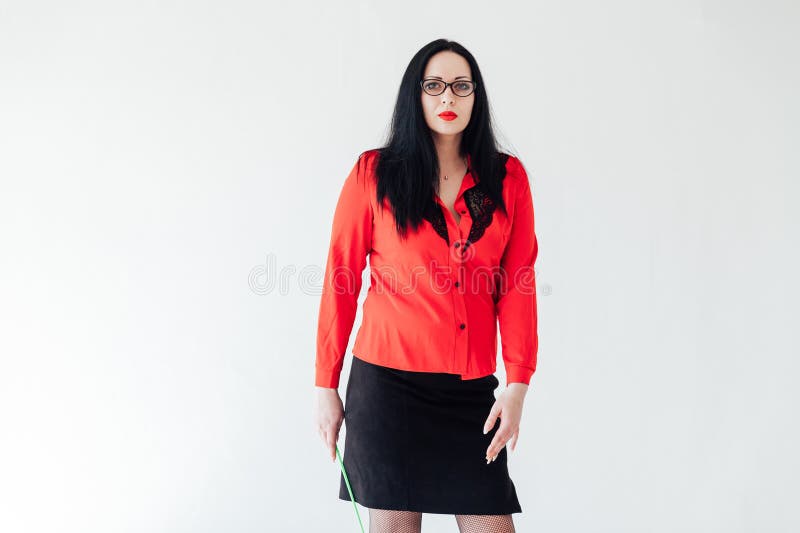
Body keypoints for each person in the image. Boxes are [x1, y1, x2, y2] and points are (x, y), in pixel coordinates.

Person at [314, 38, 539, 533]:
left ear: (476, 96)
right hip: (387, 389)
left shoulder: (508, 180)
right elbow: (341, 279)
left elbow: (518, 285)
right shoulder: (373, 174)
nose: (448, 98)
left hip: (469, 396)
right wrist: (325, 385)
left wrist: (518, 384)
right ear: (414, 96)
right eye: (434, 85)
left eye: (461, 86)